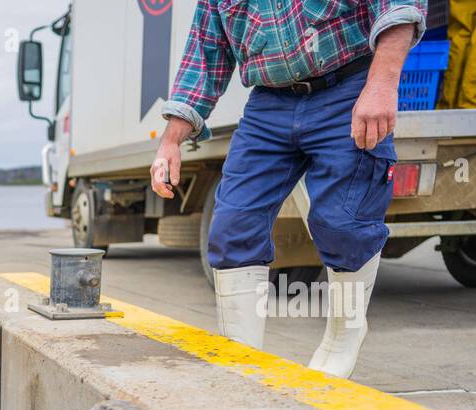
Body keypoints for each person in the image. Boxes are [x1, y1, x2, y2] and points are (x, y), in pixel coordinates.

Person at [151, 1, 427, 378]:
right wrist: (170, 142)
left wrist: (381, 85)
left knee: (343, 224)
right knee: (232, 226)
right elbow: (205, 55)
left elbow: (400, 6)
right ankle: (241, 365)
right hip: (269, 102)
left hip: (347, 86)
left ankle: (345, 333)